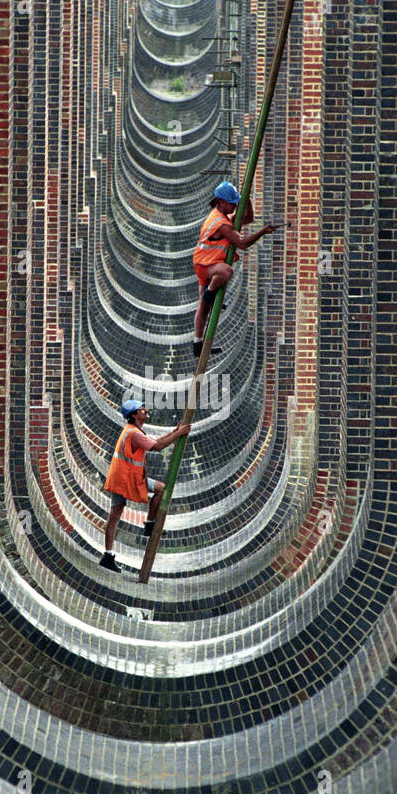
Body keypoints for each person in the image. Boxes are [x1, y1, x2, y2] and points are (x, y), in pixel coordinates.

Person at [190, 180, 280, 359]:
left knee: (203, 307)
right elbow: (242, 243)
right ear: (220, 202)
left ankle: (198, 343)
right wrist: (262, 232)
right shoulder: (221, 223)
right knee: (226, 272)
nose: (233, 206)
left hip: (206, 261)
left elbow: (247, 218)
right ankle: (210, 291)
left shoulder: (221, 216)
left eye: (234, 203)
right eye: (231, 203)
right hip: (205, 264)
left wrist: (245, 199)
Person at [100, 399, 191, 573]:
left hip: (122, 477)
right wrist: (179, 434)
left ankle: (108, 555)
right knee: (161, 489)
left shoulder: (134, 431)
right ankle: (149, 523)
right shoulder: (134, 433)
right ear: (134, 415)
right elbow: (157, 446)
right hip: (126, 478)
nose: (146, 410)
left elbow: (154, 440)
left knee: (115, 515)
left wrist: (174, 431)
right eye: (142, 409)